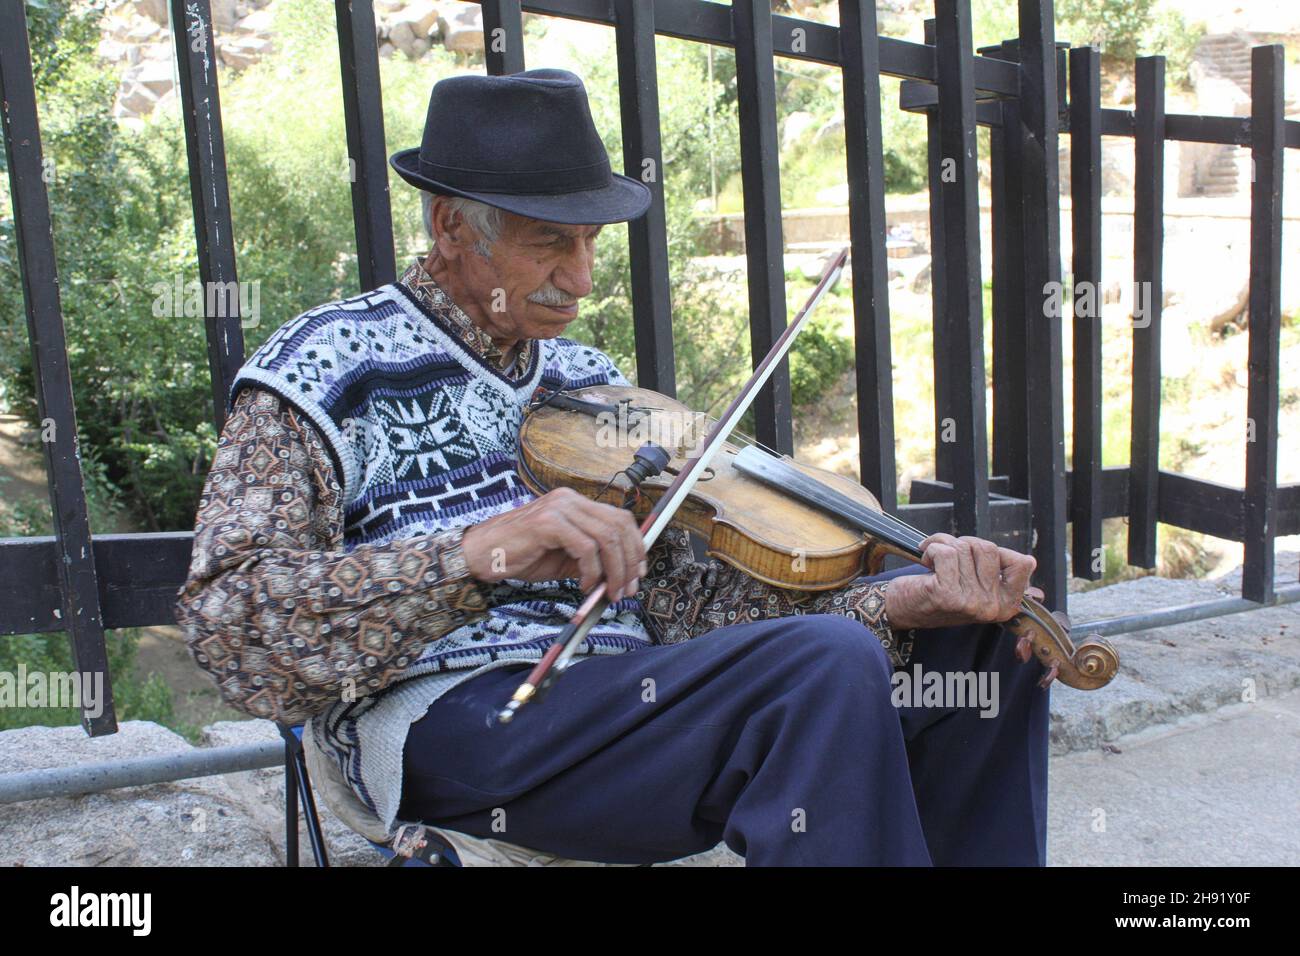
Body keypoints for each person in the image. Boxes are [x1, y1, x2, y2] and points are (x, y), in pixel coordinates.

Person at [174, 68, 1048, 866]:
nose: (582, 278)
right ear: (450, 225)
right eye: (551, 242)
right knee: (823, 667)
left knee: (975, 646)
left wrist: (892, 604)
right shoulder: (323, 369)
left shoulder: (591, 383)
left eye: (591, 243)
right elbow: (228, 630)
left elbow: (683, 604)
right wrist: (476, 556)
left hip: (628, 712)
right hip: (464, 725)